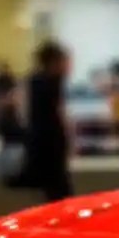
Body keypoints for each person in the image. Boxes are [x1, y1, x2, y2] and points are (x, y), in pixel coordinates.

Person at [19, 41, 73, 202]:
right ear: (54, 62)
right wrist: (69, 136)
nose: (68, 66)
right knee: (59, 188)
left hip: (38, 139)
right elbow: (58, 112)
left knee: (50, 190)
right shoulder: (53, 81)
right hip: (51, 140)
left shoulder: (33, 79)